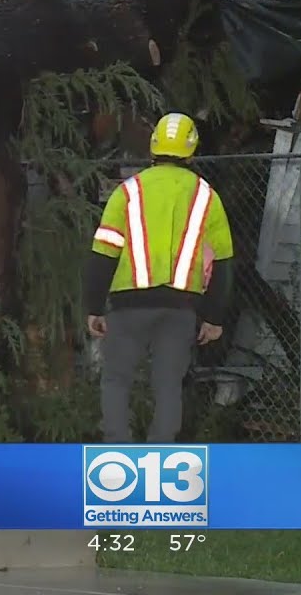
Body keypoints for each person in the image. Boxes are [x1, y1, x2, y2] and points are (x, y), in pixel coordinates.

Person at [82, 111, 234, 443]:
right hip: (180, 307)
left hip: (128, 305)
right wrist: (214, 317)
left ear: (153, 148)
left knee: (116, 380)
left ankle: (117, 452)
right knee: (168, 384)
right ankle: (160, 456)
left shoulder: (128, 192)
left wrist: (93, 306)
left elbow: (104, 251)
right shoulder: (207, 196)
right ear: (192, 150)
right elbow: (223, 261)